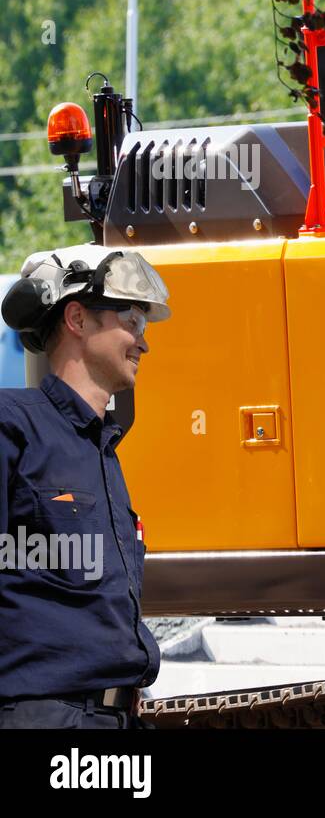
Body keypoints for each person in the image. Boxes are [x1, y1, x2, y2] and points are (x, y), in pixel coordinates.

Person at [0, 245, 171, 728]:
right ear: (77, 318)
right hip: (45, 717)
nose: (143, 342)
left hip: (114, 718)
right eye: (132, 321)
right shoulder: (13, 426)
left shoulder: (101, 452)